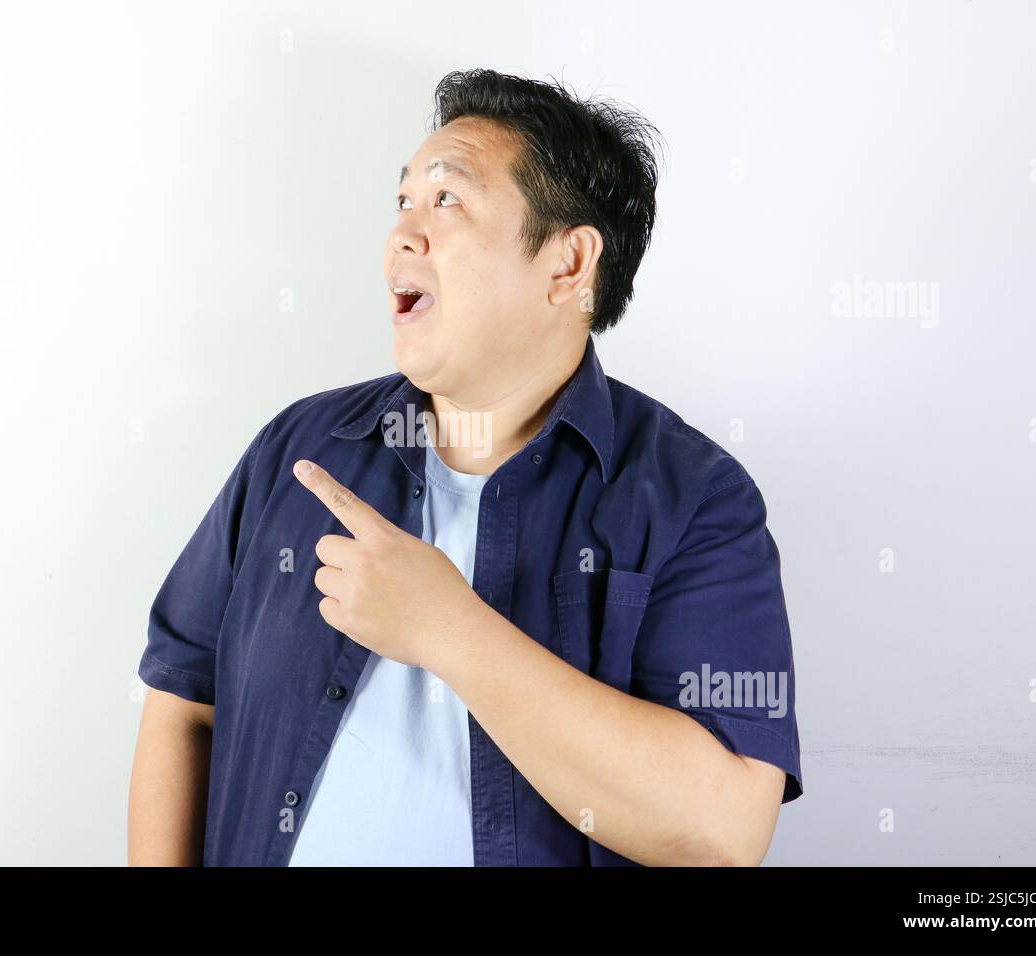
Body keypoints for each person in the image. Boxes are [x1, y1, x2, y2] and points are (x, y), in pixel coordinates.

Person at [127, 68, 802, 867]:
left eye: (446, 201)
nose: (403, 235)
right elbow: (182, 706)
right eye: (403, 202)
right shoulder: (297, 450)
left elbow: (722, 830)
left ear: (567, 264)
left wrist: (451, 631)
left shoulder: (694, 500)